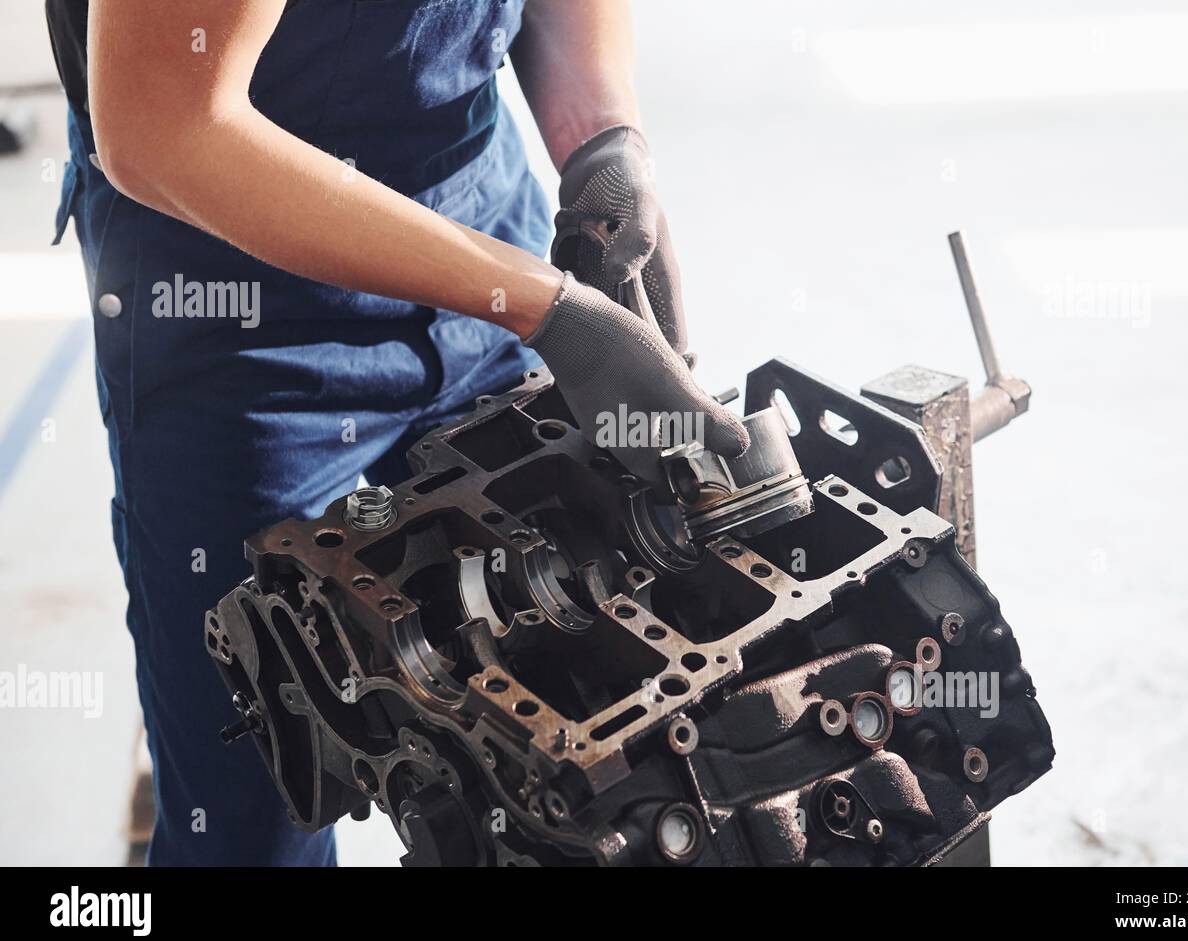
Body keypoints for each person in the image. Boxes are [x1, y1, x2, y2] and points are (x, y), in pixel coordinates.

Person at [46, 0, 746, 865]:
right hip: (235, 299)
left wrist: (604, 141)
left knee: (577, 731)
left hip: (475, 216)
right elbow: (161, 126)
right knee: (261, 802)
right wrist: (540, 308)